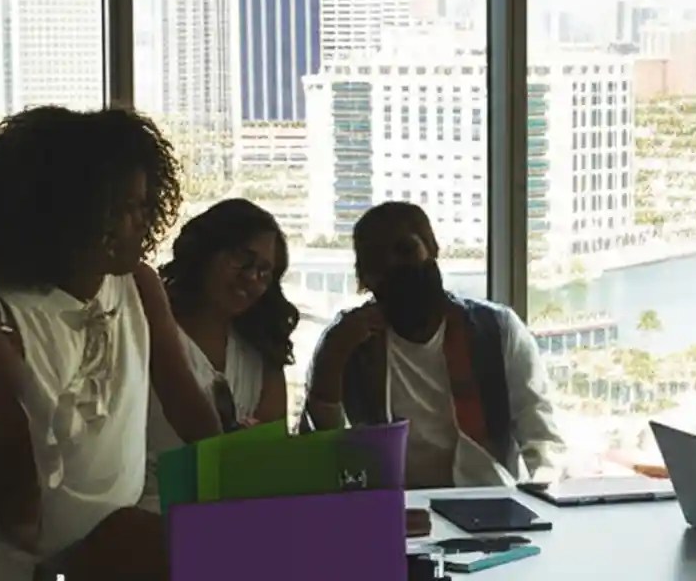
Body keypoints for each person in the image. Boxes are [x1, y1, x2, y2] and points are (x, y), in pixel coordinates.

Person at [0, 106, 222, 581]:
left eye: (144, 204)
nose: (142, 221)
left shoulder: (137, 284)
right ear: (69, 214)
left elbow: (184, 401)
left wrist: (238, 473)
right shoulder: (1, 327)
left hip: (89, 539)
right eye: (125, 208)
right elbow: (17, 510)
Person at [305, 202, 564, 488]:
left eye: (405, 250)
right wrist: (333, 357)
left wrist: (536, 498)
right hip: (395, 509)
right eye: (378, 260)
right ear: (365, 277)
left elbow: (540, 437)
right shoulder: (350, 342)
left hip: (487, 501)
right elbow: (321, 452)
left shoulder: (496, 329)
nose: (394, 267)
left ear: (432, 248)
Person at [137, 198, 299, 513]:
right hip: (141, 510)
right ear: (205, 252)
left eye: (265, 272)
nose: (252, 278)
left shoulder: (261, 351)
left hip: (231, 515)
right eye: (242, 259)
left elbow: (270, 448)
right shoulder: (147, 325)